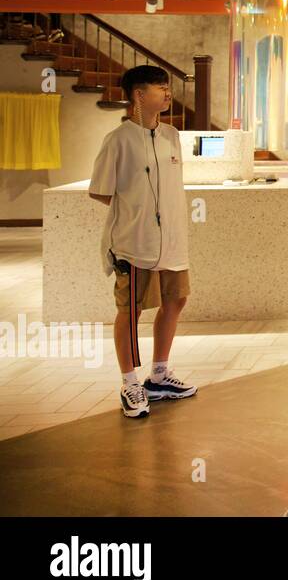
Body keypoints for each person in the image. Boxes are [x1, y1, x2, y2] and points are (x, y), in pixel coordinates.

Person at [89, 65, 197, 419]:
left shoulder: (171, 134)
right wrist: (138, 211)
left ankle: (159, 375)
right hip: (134, 242)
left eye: (168, 87)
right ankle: (128, 382)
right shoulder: (118, 140)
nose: (167, 93)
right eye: (159, 87)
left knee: (176, 300)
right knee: (130, 311)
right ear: (138, 94)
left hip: (173, 243)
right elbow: (101, 192)